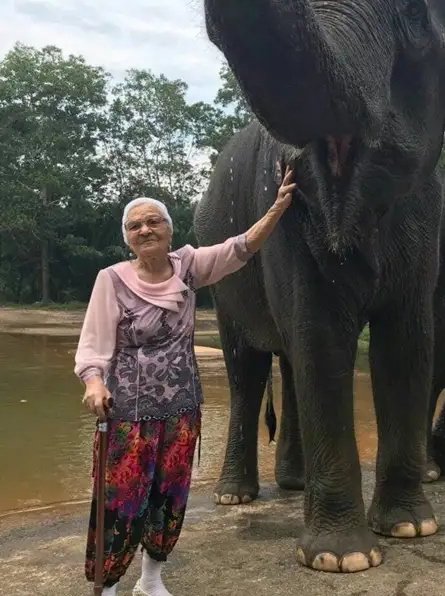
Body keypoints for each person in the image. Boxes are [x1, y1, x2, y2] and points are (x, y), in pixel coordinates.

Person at [75, 168, 296, 596]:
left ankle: (151, 580)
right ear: (127, 237)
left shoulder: (189, 267)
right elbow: (93, 344)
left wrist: (277, 208)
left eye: (153, 221)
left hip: (181, 411)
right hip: (127, 417)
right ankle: (108, 586)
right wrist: (93, 381)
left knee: (169, 498)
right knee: (120, 502)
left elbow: (240, 248)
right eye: (135, 225)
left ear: (169, 229)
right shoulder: (112, 280)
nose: (145, 230)